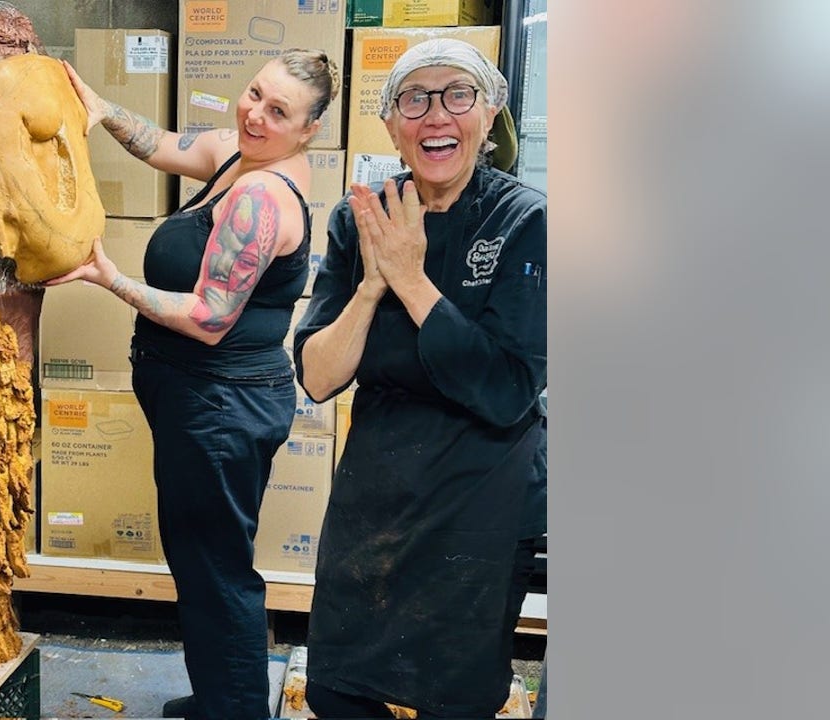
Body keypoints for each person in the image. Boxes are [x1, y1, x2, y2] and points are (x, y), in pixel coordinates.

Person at [49, 49, 341, 720]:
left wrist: (109, 279)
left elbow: (209, 319)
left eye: (278, 111)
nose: (255, 114)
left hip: (220, 406)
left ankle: (235, 709)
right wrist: (100, 107)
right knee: (202, 560)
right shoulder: (241, 154)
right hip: (200, 400)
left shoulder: (263, 197)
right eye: (254, 94)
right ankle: (221, 695)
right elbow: (167, 145)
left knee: (216, 571)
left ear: (309, 129)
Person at [293, 38, 546, 719]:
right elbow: (317, 376)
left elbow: (507, 389)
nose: (437, 115)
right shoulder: (363, 218)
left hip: (481, 501)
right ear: (392, 124)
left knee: (454, 700)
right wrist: (373, 284)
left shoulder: (527, 222)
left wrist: (410, 278)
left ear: (488, 113)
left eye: (457, 95)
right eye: (415, 99)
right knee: (336, 691)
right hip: (380, 494)